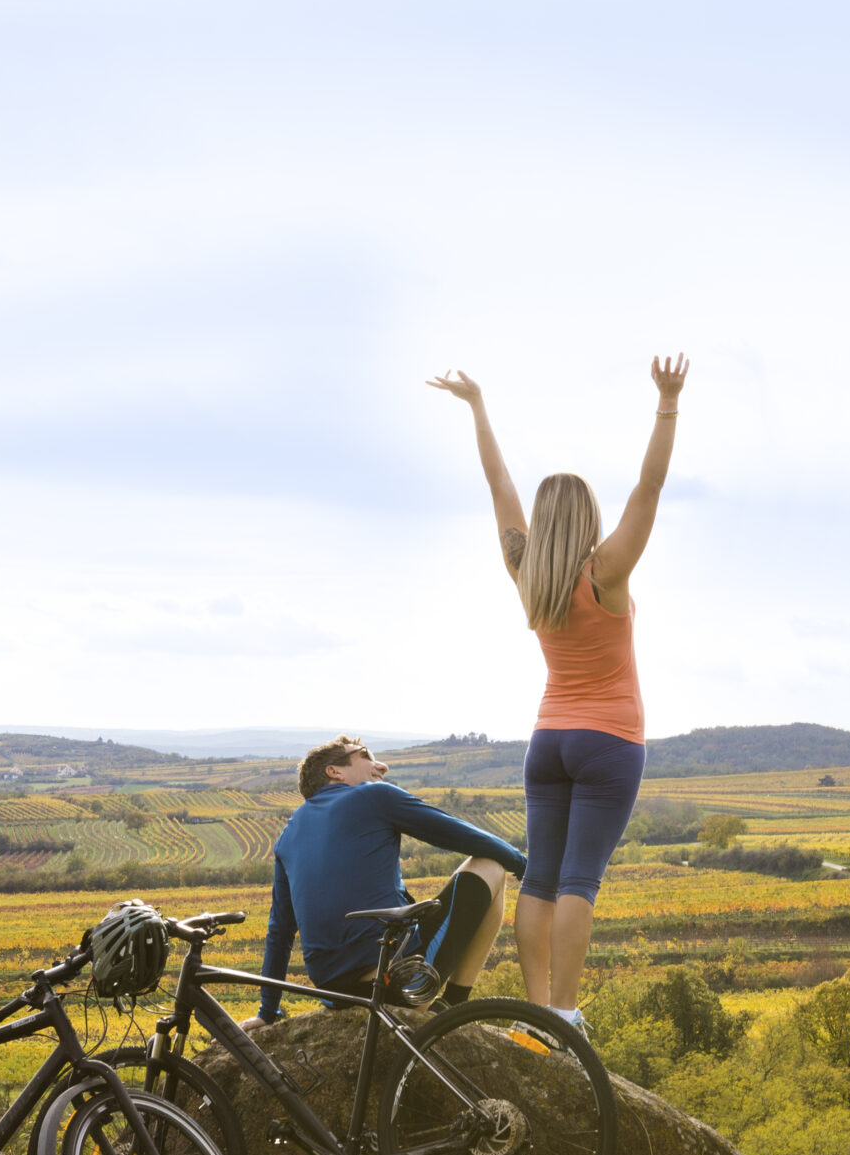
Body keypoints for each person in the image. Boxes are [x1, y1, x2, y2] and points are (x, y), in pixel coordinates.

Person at [428, 354, 688, 1029]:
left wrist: (478, 406)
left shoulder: (526, 570)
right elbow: (650, 489)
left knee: (539, 879)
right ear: (589, 516)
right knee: (580, 882)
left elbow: (498, 483)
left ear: (543, 521)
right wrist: (667, 403)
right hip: (610, 742)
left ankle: (537, 1009)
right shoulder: (606, 573)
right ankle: (568, 1012)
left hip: (547, 743)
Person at [254, 735, 526, 1026]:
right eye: (366, 756)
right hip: (398, 987)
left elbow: (279, 932)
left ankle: (445, 1007)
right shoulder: (374, 796)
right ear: (335, 771)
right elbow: (466, 837)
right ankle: (452, 1008)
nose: (381, 766)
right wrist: (528, 868)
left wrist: (266, 1012)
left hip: (338, 999)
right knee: (492, 865)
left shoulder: (287, 836)